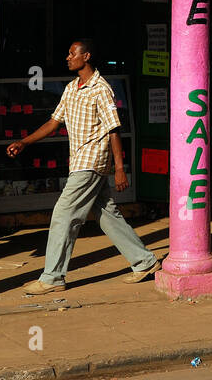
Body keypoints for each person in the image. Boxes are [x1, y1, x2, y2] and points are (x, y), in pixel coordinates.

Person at [10, 40, 161, 293]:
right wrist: (24, 142)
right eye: (68, 54)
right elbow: (53, 122)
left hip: (91, 161)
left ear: (86, 56)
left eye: (72, 54)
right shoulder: (71, 88)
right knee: (107, 216)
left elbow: (114, 130)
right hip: (80, 160)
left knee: (63, 214)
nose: (67, 57)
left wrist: (120, 168)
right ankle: (145, 261)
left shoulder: (101, 89)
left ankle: (52, 277)